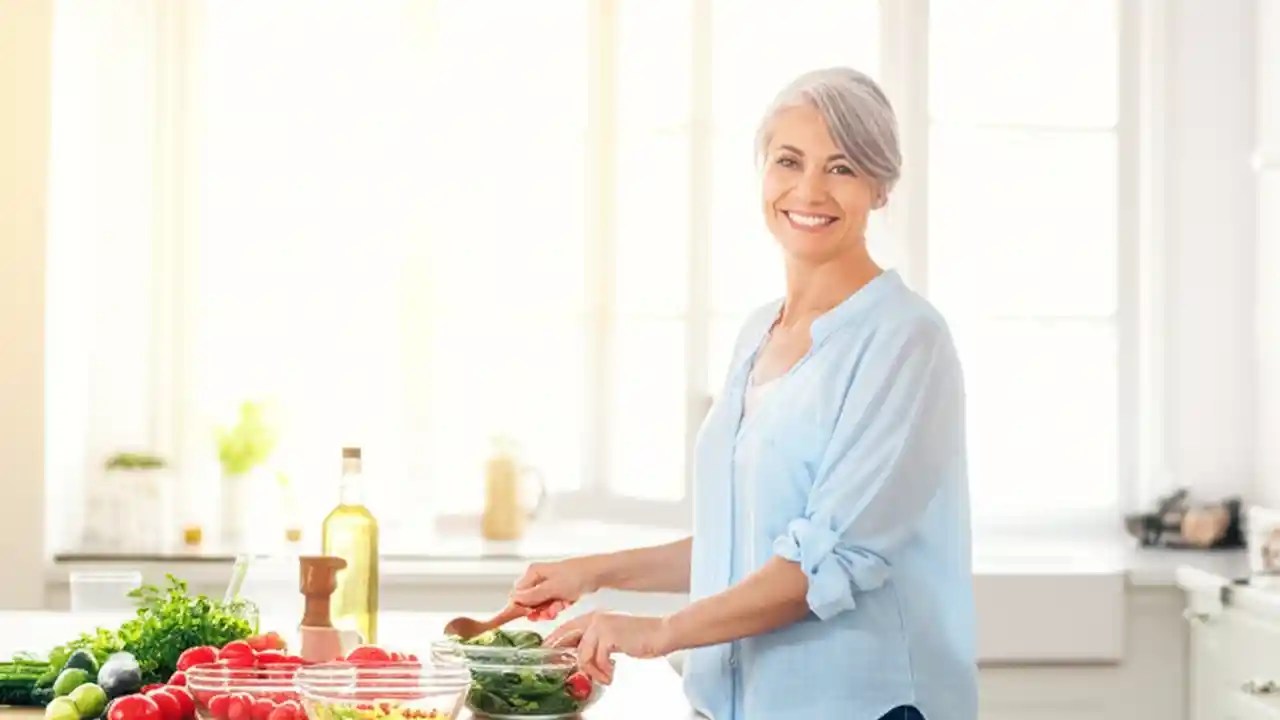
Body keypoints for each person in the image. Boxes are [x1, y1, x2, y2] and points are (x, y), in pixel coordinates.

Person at [511, 67, 977, 720]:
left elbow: (823, 564)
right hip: (733, 706)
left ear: (882, 187)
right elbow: (749, 546)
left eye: (841, 167)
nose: (808, 189)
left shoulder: (906, 341)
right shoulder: (761, 332)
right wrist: (592, 571)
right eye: (789, 161)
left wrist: (657, 632)